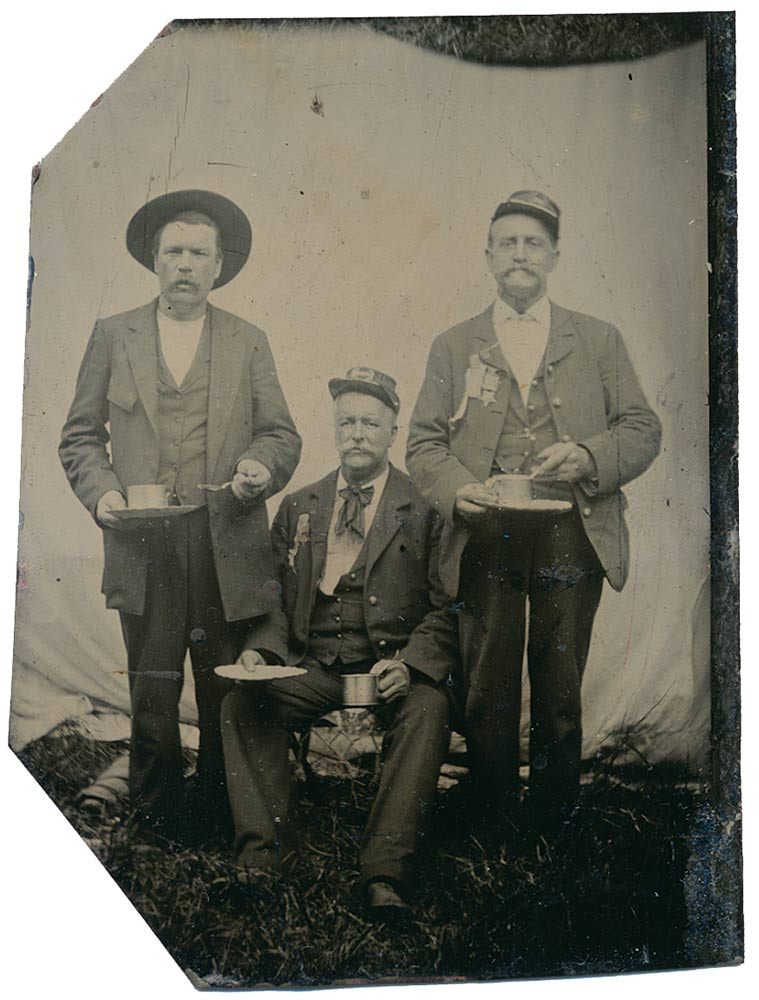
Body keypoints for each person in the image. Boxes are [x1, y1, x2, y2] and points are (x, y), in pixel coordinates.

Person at [406, 190, 662, 829]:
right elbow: (423, 443)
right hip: (485, 532)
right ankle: (492, 814)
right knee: (488, 678)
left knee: (559, 676)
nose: (520, 254)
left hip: (571, 531)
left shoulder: (598, 339)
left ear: (554, 256)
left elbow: (642, 427)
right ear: (489, 255)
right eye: (508, 243)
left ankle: (553, 818)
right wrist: (458, 491)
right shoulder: (454, 344)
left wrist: (587, 454)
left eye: (533, 243)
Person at [59, 189, 301, 845]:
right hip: (144, 541)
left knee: (223, 683)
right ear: (154, 262)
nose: (185, 265)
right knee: (152, 686)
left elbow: (282, 436)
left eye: (199, 253)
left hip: (224, 537)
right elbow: (80, 437)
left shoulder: (249, 341)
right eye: (174, 252)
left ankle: (221, 814)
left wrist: (259, 467)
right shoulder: (114, 335)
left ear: (219, 266)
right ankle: (157, 819)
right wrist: (101, 492)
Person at [221, 367, 456, 920]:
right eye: (346, 421)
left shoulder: (424, 507)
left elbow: (450, 605)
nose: (357, 433)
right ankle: (263, 856)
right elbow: (273, 597)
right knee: (241, 702)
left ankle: (384, 872)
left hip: (388, 668)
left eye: (370, 423)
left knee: (430, 708)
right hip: (315, 664)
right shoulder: (300, 504)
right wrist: (264, 653)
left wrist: (414, 665)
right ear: (333, 427)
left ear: (393, 431)